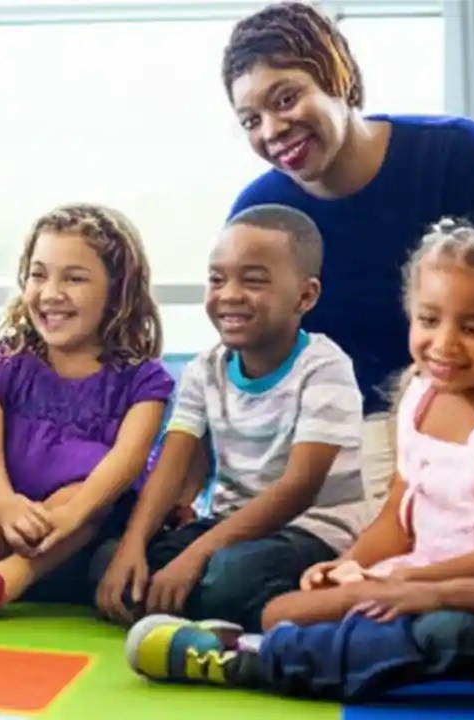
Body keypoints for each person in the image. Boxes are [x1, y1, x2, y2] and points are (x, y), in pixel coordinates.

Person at [124, 267, 474, 715]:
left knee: (447, 632)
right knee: (322, 609)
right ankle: (293, 639)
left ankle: (257, 659)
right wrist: (364, 571)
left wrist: (425, 590)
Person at [223, 1, 474, 504]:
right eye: (250, 120)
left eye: (286, 99)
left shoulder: (455, 156)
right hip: (343, 441)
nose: (271, 129)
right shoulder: (260, 213)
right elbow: (250, 356)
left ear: (339, 77)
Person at [252, 220, 474, 629]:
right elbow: (397, 521)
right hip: (414, 575)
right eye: (429, 320)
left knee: (428, 630)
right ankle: (292, 653)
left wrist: (417, 582)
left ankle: (273, 660)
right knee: (280, 613)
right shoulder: (420, 395)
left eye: (472, 328)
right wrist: (347, 567)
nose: (445, 343)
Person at [94, 204, 366, 633]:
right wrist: (133, 545)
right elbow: (173, 461)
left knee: (228, 579)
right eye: (217, 280)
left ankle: (311, 604)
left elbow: (297, 489)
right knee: (111, 563)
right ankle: (209, 603)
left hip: (310, 533)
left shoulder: (324, 368)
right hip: (226, 529)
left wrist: (194, 557)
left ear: (306, 296)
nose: (230, 295)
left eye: (253, 281)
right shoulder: (206, 369)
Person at [0, 203, 174, 617]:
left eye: (73, 278)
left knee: (81, 498)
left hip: (87, 522)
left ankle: (6, 582)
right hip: (9, 519)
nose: (51, 293)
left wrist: (69, 516)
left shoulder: (142, 380)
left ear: (116, 289)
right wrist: (6, 507)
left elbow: (126, 463)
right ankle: (37, 572)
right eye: (39, 274)